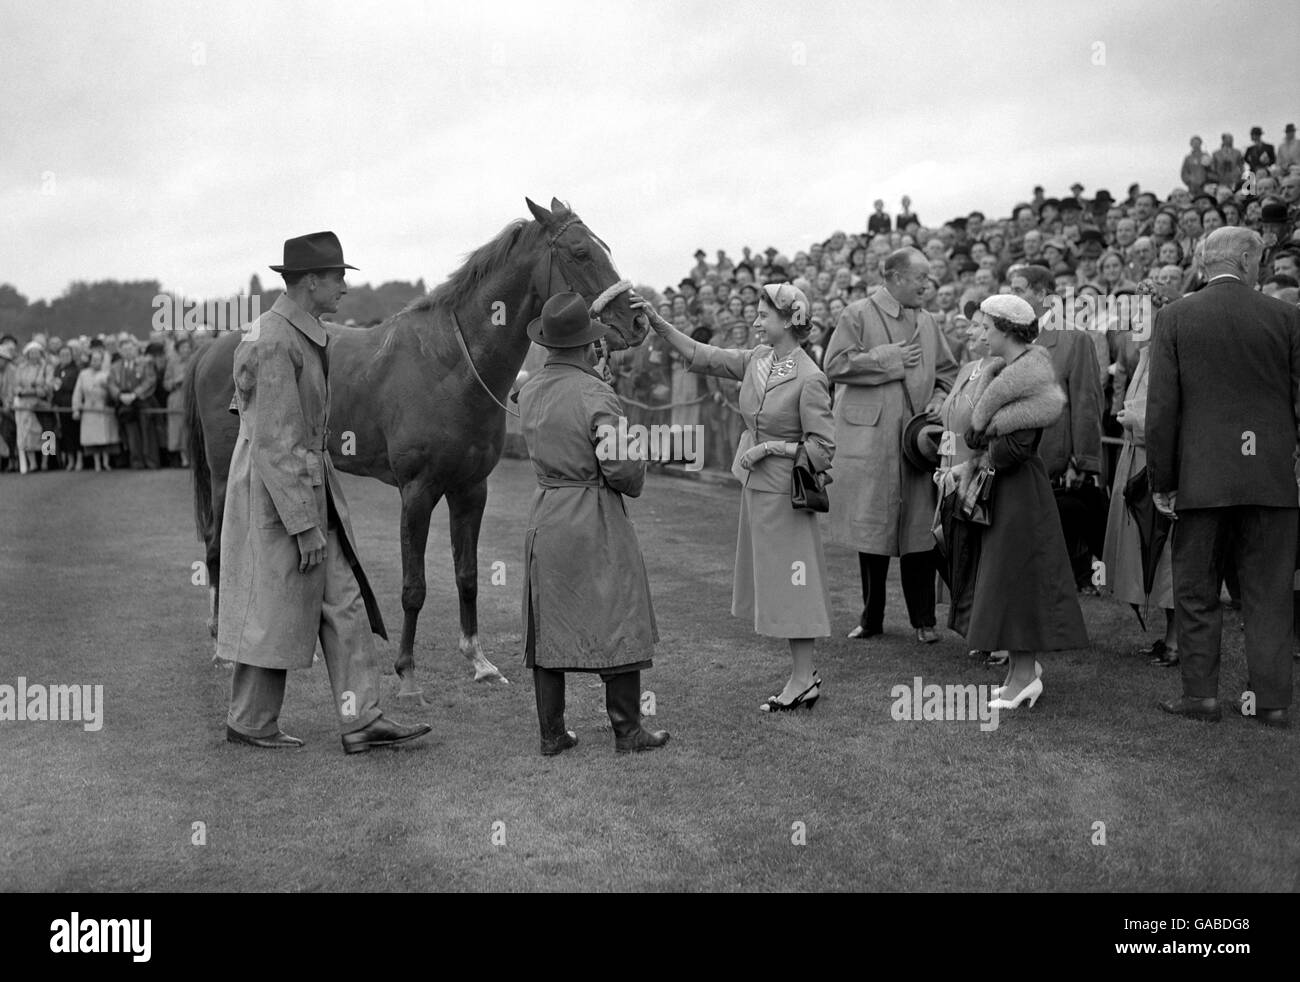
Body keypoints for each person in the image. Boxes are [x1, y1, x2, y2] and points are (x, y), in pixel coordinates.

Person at [218, 230, 431, 753]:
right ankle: (250, 720)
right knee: (274, 603)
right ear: (310, 281)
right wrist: (303, 523)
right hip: (280, 490)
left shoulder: (292, 333)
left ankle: (361, 719)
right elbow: (275, 440)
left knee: (343, 600)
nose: (344, 287)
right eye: (338, 277)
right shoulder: (272, 339)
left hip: (302, 481)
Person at [637, 283, 835, 711]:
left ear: (789, 320)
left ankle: (804, 679)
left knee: (793, 585)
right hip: (758, 490)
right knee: (778, 586)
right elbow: (700, 354)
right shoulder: (757, 360)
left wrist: (772, 448)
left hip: (787, 495)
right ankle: (803, 677)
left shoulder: (810, 376)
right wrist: (657, 322)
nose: (755, 321)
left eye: (763, 315)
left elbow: (822, 450)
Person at [1147, 227, 1300, 728]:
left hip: (1201, 482)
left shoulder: (1174, 316)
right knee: (1269, 596)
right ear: (1250, 262)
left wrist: (1162, 480)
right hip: (1271, 482)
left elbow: (1162, 409)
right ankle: (1273, 702)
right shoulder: (1286, 316)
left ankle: (1201, 697)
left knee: (1197, 593)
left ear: (1205, 262)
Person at [517, 291, 669, 753]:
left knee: (548, 620)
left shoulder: (530, 390)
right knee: (619, 609)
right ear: (588, 344)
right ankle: (628, 730)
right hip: (593, 512)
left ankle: (552, 733)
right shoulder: (596, 393)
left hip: (547, 511)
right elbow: (624, 471)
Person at [944, 295, 1088, 709]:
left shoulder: (1027, 376)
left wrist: (980, 451)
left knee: (1018, 579)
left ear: (1007, 329)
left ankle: (1024, 675)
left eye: (986, 326)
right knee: (1005, 577)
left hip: (1019, 490)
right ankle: (1018, 673)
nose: (981, 333)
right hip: (1007, 487)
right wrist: (979, 455)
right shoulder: (1007, 371)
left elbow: (1014, 450)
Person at [825, 247, 958, 644]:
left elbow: (947, 372)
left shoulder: (929, 321)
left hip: (917, 443)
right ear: (896, 277)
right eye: (921, 278)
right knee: (873, 533)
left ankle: (924, 621)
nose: (927, 285)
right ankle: (871, 619)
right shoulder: (856, 314)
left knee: (919, 532)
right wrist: (888, 358)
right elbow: (835, 365)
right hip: (871, 445)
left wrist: (938, 398)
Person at [1012, 265, 1105, 589]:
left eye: (1019, 289)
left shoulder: (1073, 339)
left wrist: (1083, 461)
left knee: (1057, 560)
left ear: (1042, 294)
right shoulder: (1011, 341)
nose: (1013, 296)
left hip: (1057, 464)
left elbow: (1086, 405)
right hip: (1017, 461)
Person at [1100, 299, 1177, 667]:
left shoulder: (1167, 357)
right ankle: (1169, 637)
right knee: (1147, 550)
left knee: (1162, 551)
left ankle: (1176, 641)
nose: (1134, 324)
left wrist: (1133, 420)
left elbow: (1170, 416)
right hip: (1136, 461)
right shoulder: (1147, 356)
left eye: (1142, 317)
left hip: (1154, 465)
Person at [106, 337, 159, 469]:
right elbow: (111, 383)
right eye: (125, 349)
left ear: (135, 349)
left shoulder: (145, 364)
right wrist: (119, 395)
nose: (128, 352)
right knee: (131, 434)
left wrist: (135, 394)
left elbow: (150, 380)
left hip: (142, 401)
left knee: (148, 433)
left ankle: (151, 461)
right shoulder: (115, 367)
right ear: (120, 351)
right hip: (125, 405)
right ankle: (137, 462)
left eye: (130, 348)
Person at [72, 346, 118, 471]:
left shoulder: (107, 374)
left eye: (98, 360)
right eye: (93, 360)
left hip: (103, 407)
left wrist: (106, 387)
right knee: (93, 437)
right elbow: (78, 392)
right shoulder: (83, 374)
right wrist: (76, 408)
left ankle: (106, 461)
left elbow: (113, 391)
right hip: (89, 408)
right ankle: (96, 462)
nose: (95, 363)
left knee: (105, 435)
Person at [13, 341, 53, 474]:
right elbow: (17, 387)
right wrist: (32, 390)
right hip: (26, 405)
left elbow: (48, 386)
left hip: (42, 404)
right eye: (31, 353)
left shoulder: (46, 367)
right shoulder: (21, 368)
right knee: (27, 433)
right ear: (27, 354)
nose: (34, 355)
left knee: (47, 432)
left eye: (37, 352)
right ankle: (33, 463)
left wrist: (35, 390)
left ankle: (45, 462)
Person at [51, 343, 81, 470]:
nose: (65, 357)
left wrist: (61, 384)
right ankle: (70, 460)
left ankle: (79, 459)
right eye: (62, 354)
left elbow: (71, 386)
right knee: (65, 434)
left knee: (76, 433)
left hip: (72, 405)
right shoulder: (57, 369)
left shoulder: (76, 369)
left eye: (67, 354)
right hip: (60, 406)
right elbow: (54, 387)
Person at [164, 335, 194, 466]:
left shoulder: (194, 360)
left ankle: (192, 456)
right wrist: (176, 381)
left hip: (192, 396)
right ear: (177, 349)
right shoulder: (172, 364)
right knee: (178, 428)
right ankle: (183, 458)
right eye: (183, 347)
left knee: (190, 427)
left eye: (188, 347)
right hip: (176, 397)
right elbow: (166, 383)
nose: (185, 350)